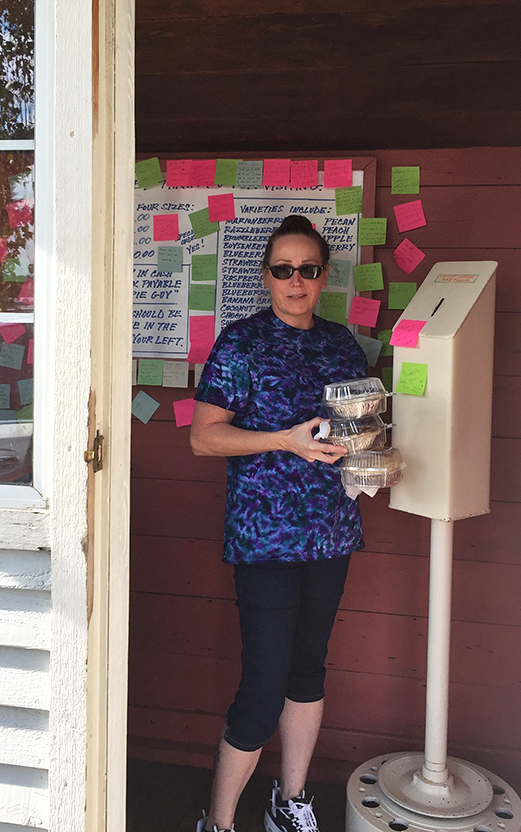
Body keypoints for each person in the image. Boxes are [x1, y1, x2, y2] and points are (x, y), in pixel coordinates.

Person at [190, 215, 368, 832]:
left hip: (330, 529)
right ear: (266, 276)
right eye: (284, 269)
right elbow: (203, 438)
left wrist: (372, 460)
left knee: (308, 669)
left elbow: (356, 425)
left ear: (323, 277)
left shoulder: (342, 343)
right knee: (264, 683)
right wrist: (284, 440)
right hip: (266, 537)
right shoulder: (241, 343)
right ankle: (218, 820)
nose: (297, 281)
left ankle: (288, 801)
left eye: (309, 270)